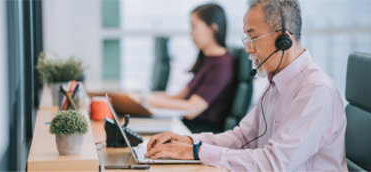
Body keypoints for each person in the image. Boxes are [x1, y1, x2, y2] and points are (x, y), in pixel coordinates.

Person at [144, 0, 348, 171]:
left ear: (283, 39)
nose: (248, 48)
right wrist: (188, 142)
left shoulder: (315, 91)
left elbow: (274, 162)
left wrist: (197, 152)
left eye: (253, 37)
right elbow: (242, 137)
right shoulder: (275, 84)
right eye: (246, 38)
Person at [142, 3, 235, 133]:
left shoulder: (222, 64)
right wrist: (144, 98)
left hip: (200, 131)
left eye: (194, 27)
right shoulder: (207, 59)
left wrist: (150, 101)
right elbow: (179, 96)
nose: (191, 33)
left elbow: (192, 109)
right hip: (187, 126)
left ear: (212, 28)